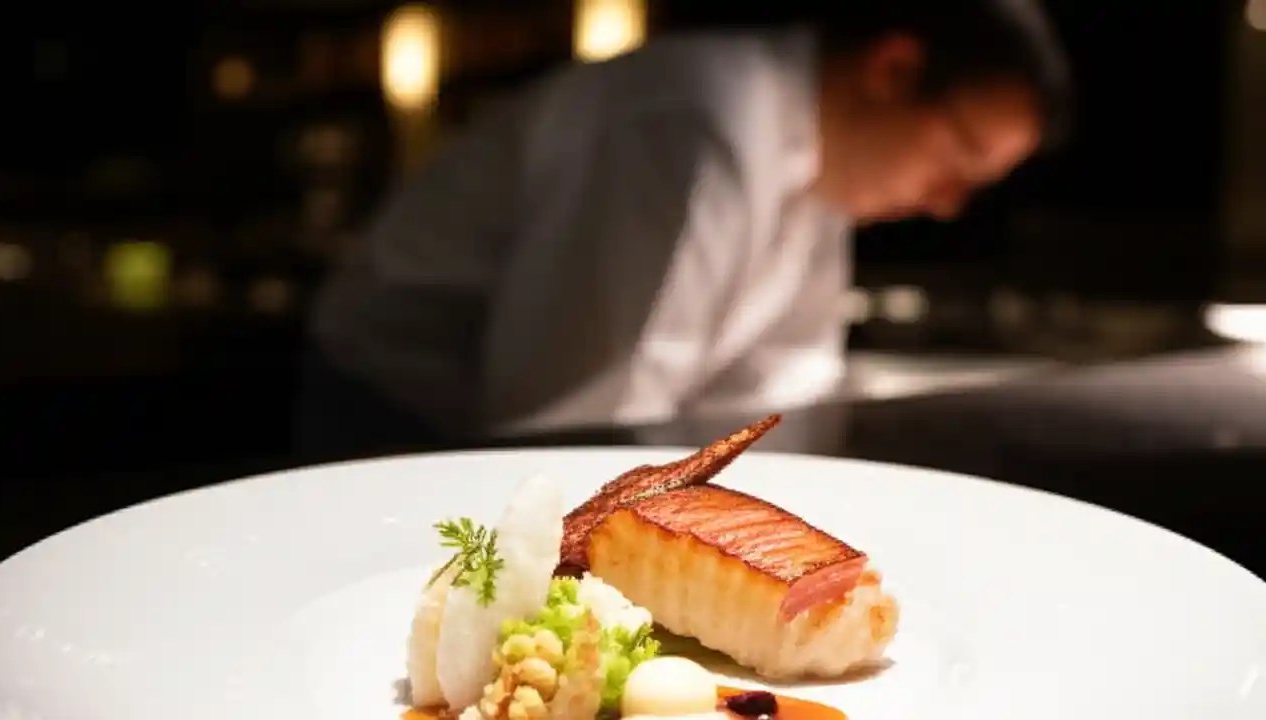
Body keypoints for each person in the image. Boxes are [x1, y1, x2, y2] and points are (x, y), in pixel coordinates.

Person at [296, 1, 1072, 459]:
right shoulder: (693, 121)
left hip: (538, 437)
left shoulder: (826, 172)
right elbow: (572, 422)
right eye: (960, 159)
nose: (947, 203)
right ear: (893, 71)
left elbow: (773, 402)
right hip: (390, 418)